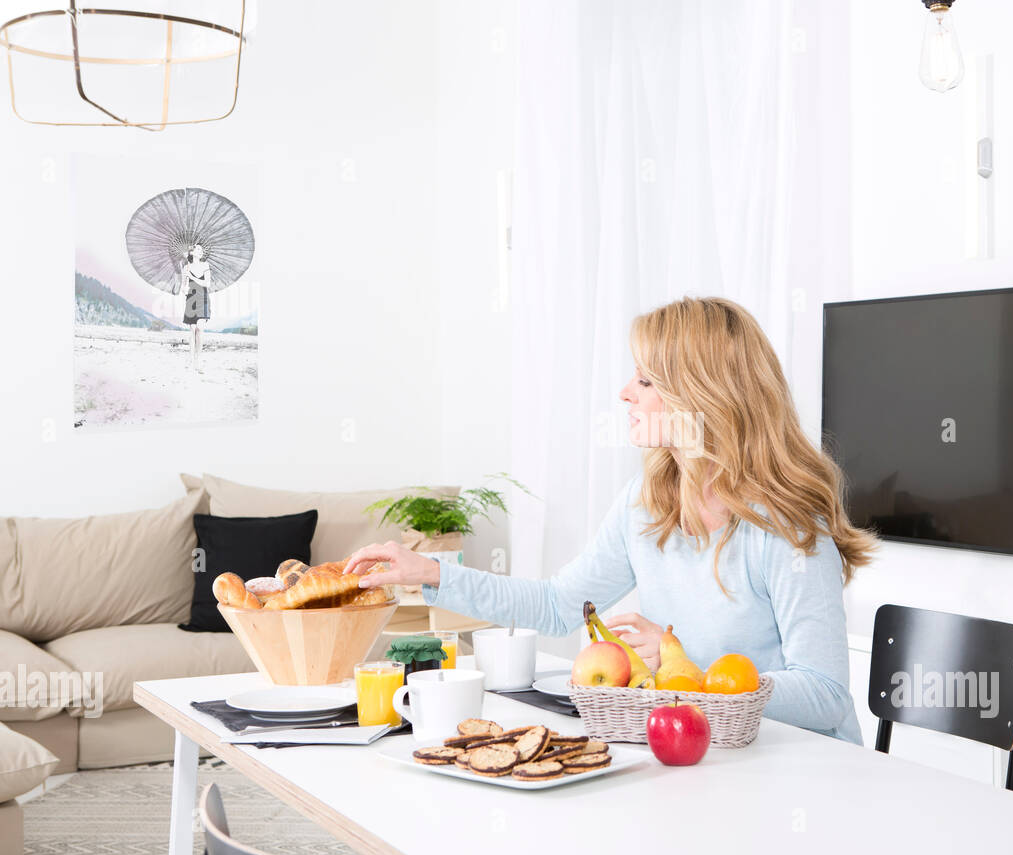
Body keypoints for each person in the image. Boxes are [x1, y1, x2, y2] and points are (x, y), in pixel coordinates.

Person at [344, 296, 877, 744]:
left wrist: (683, 673)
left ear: (702, 395)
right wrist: (432, 574)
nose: (625, 393)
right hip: (704, 756)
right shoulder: (646, 504)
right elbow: (558, 607)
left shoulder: (787, 529)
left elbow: (825, 696)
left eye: (645, 380)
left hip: (800, 771)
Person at [181, 243, 212, 359]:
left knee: (199, 328)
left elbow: (207, 283)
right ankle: (191, 359)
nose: (201, 251)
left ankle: (198, 359)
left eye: (201, 250)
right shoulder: (186, 268)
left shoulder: (205, 265)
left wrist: (192, 277)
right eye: (198, 249)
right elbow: (183, 287)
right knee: (193, 330)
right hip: (191, 300)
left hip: (203, 299)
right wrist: (184, 289)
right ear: (191, 252)